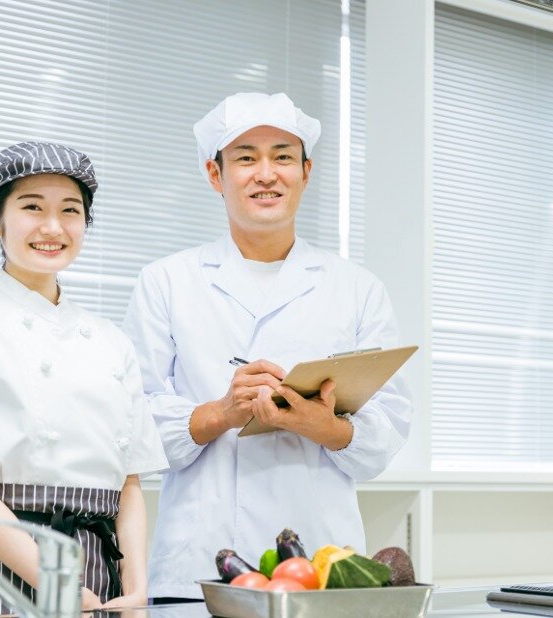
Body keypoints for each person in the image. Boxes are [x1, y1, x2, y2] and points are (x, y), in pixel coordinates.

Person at [122, 93, 413, 602]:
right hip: (198, 562)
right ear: (215, 174)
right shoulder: (165, 281)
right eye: (245, 158)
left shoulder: (357, 288)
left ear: (306, 172)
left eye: (282, 157)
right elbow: (132, 426)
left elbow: (387, 430)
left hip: (320, 566)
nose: (266, 174)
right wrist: (221, 412)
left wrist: (324, 426)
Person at [0, 141, 168, 616]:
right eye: (32, 207)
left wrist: (137, 591)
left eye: (70, 210)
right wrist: (55, 581)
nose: (53, 227)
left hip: (99, 577)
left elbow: (129, 485)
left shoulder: (112, 341)